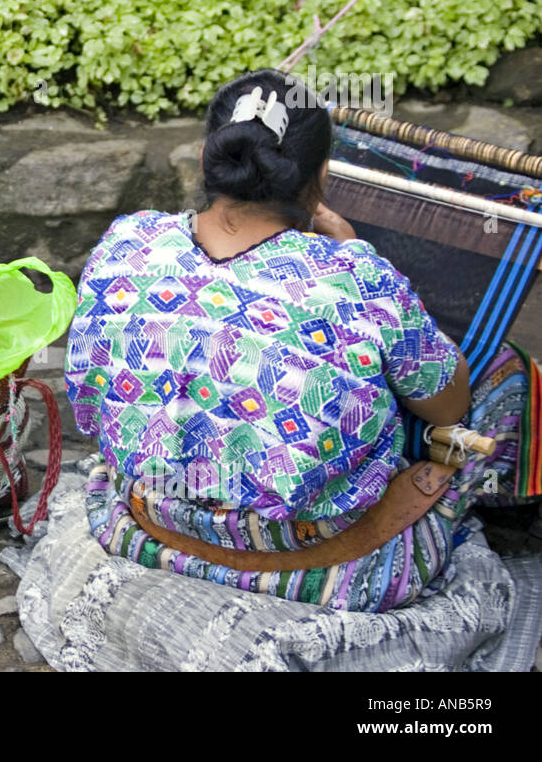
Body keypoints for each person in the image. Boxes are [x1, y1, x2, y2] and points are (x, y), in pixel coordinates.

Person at [61, 68, 529, 613]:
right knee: (505, 375)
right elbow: (449, 405)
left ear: (206, 154)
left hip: (148, 524)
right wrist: (354, 254)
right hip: (316, 558)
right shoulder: (355, 278)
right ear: (322, 176)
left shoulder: (128, 240)